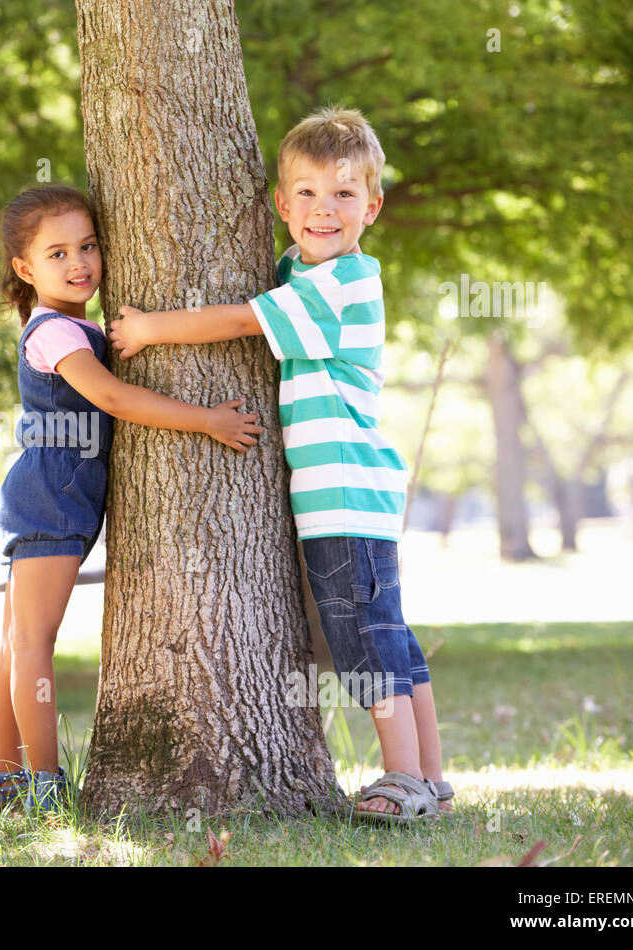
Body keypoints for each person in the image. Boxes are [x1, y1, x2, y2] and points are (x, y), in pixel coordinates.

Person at [109, 107, 453, 824]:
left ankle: (403, 776)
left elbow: (240, 320)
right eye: (305, 193)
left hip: (343, 492)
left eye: (343, 195)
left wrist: (149, 329)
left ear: (373, 206)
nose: (322, 209)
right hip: (351, 491)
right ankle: (430, 775)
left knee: (365, 639)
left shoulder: (343, 283)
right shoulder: (302, 269)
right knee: (388, 632)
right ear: (280, 203)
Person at [0, 184, 262, 813]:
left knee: (14, 645)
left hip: (52, 497)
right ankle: (43, 788)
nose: (78, 262)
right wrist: (205, 420)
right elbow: (111, 398)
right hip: (50, 497)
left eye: (87, 246)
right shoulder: (56, 334)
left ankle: (6, 788)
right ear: (25, 270)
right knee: (30, 646)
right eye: (56, 254)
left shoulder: (76, 322)